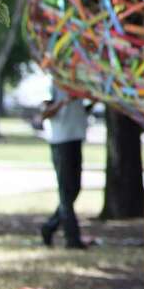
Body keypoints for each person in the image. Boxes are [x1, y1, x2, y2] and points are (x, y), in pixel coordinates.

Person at [39, 89, 89, 249]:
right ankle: (72, 238)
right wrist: (64, 101)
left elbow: (80, 111)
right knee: (66, 191)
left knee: (75, 188)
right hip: (60, 141)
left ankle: (49, 227)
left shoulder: (78, 82)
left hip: (76, 138)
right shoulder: (51, 84)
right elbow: (45, 113)